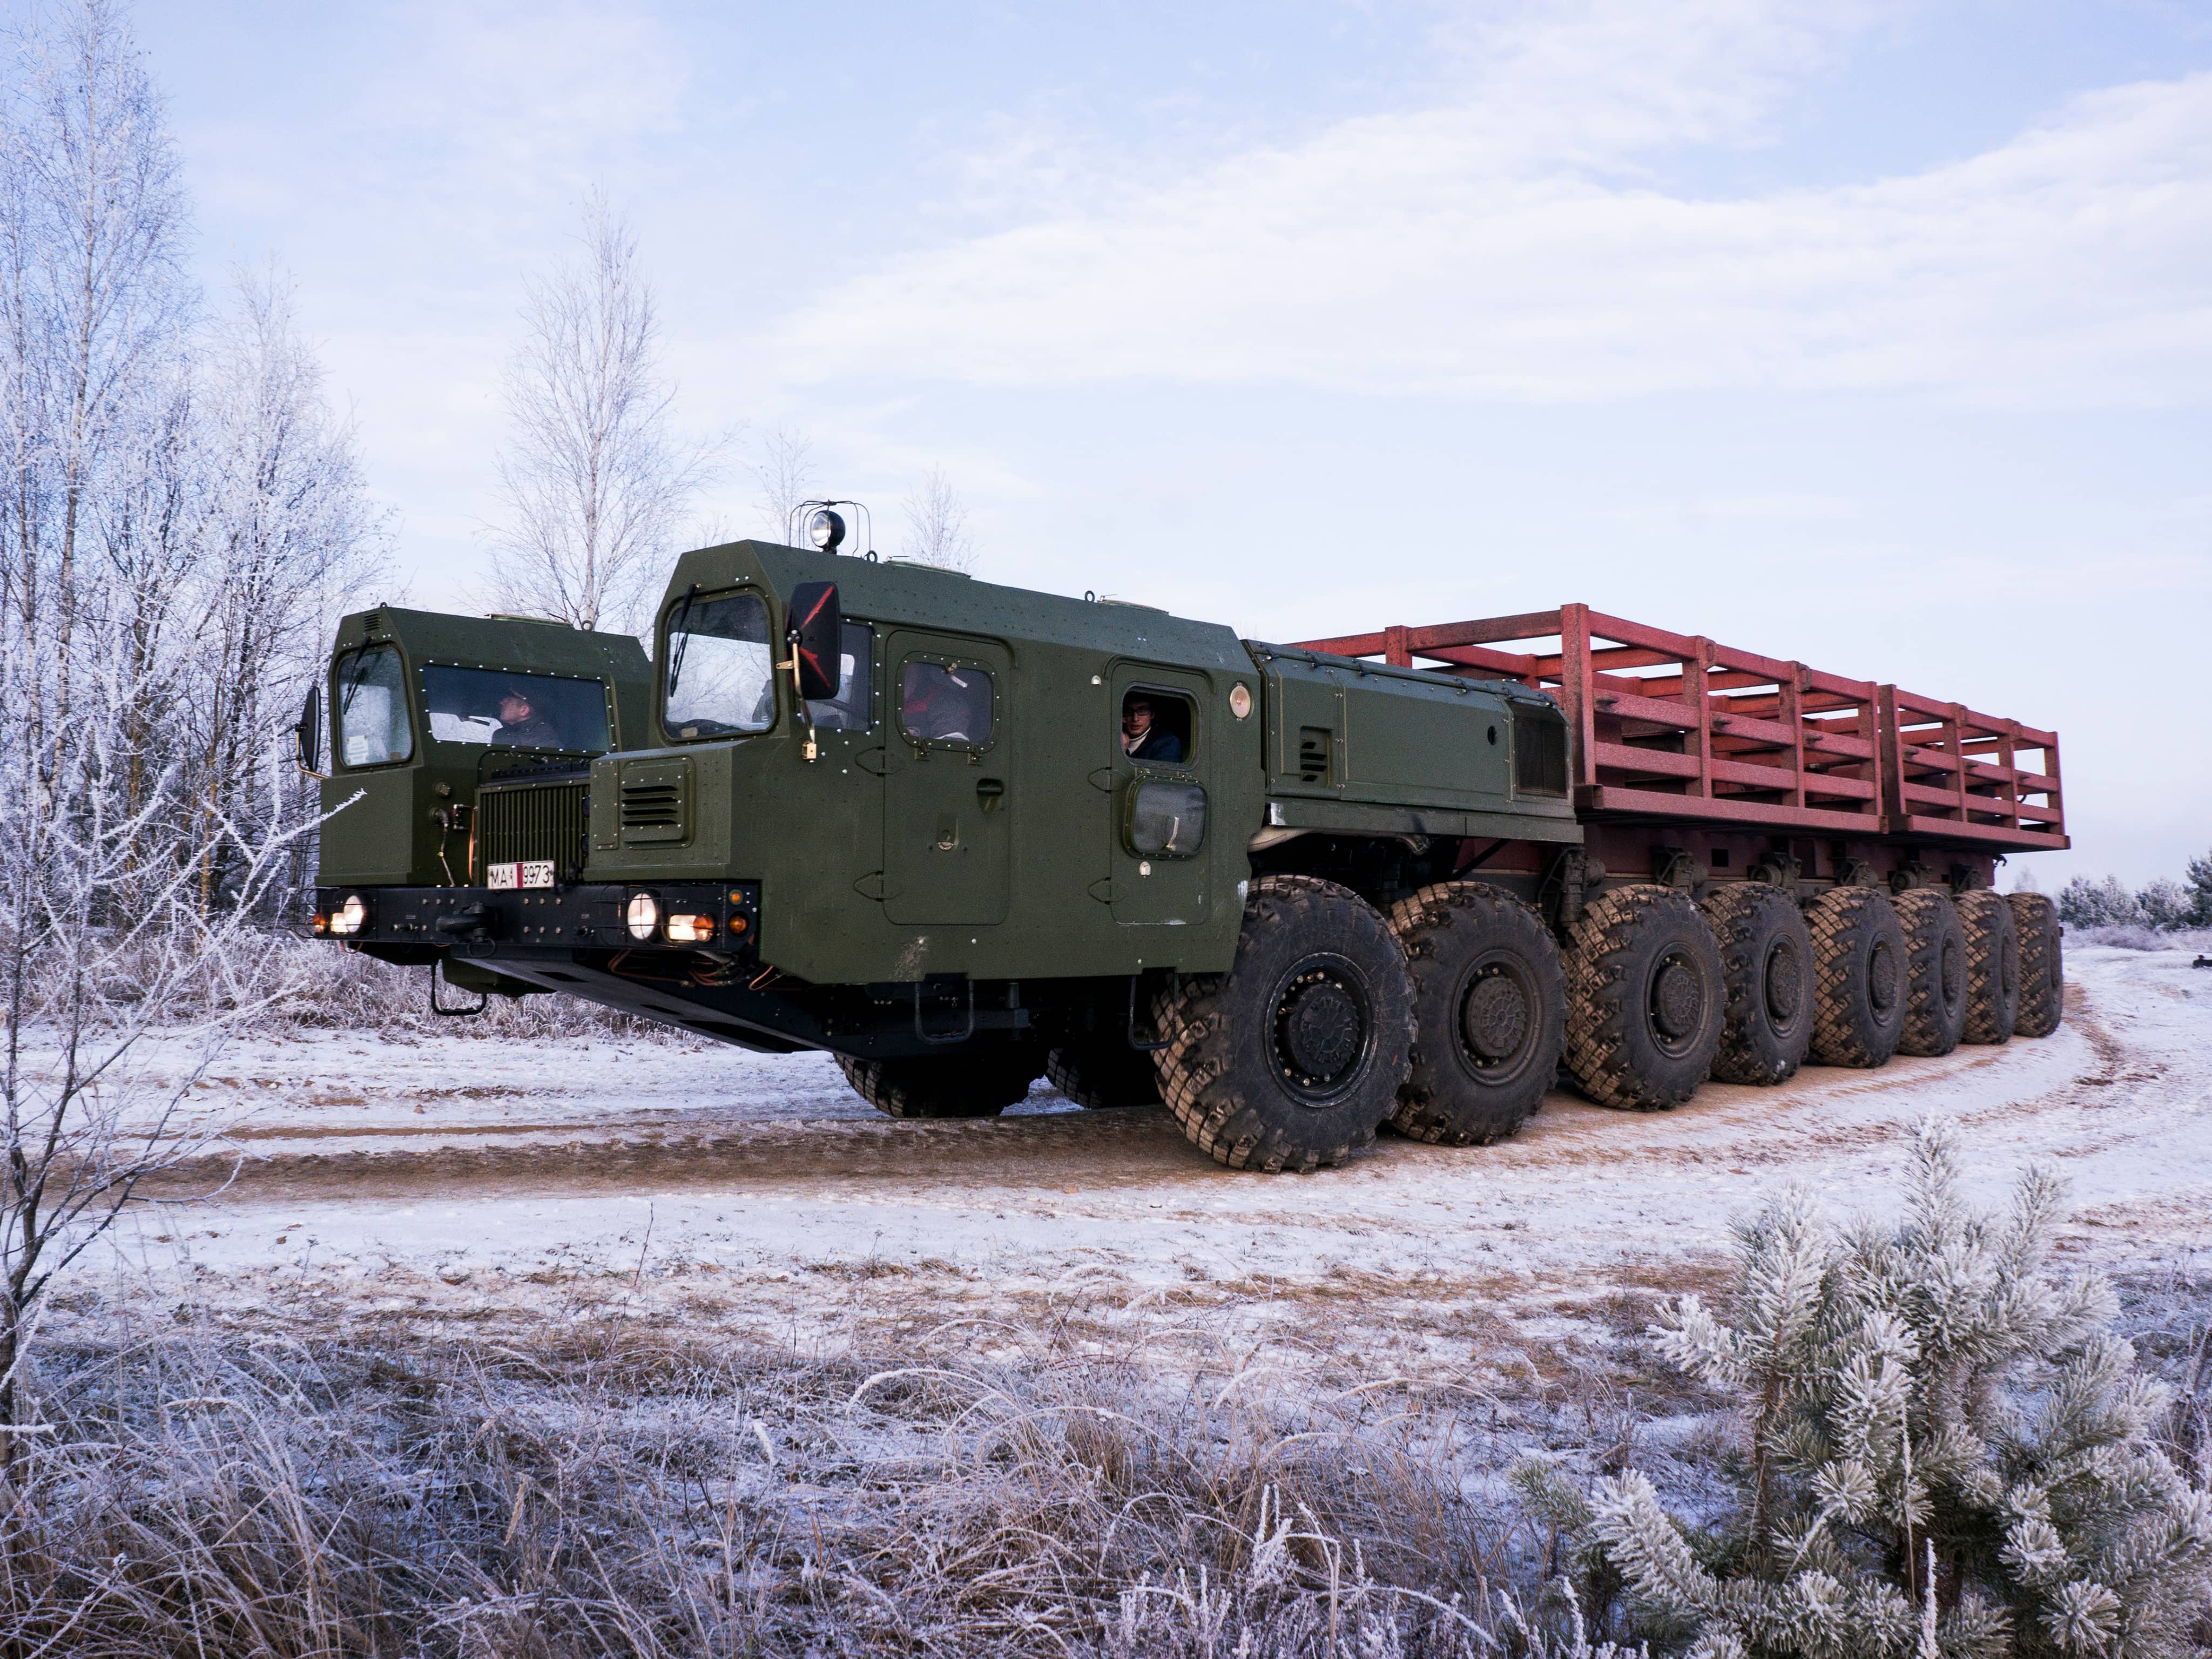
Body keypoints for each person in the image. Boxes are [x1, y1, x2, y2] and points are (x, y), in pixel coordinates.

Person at [495, 684, 563, 748]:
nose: (501, 703)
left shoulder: (545, 739)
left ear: (524, 711)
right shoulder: (502, 733)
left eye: (508, 701)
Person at [1122, 696, 1183, 764]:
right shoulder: (1116, 738)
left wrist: (1122, 751)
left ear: (1152, 715)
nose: (1135, 719)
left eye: (1142, 711)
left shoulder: (1167, 742)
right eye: (1129, 712)